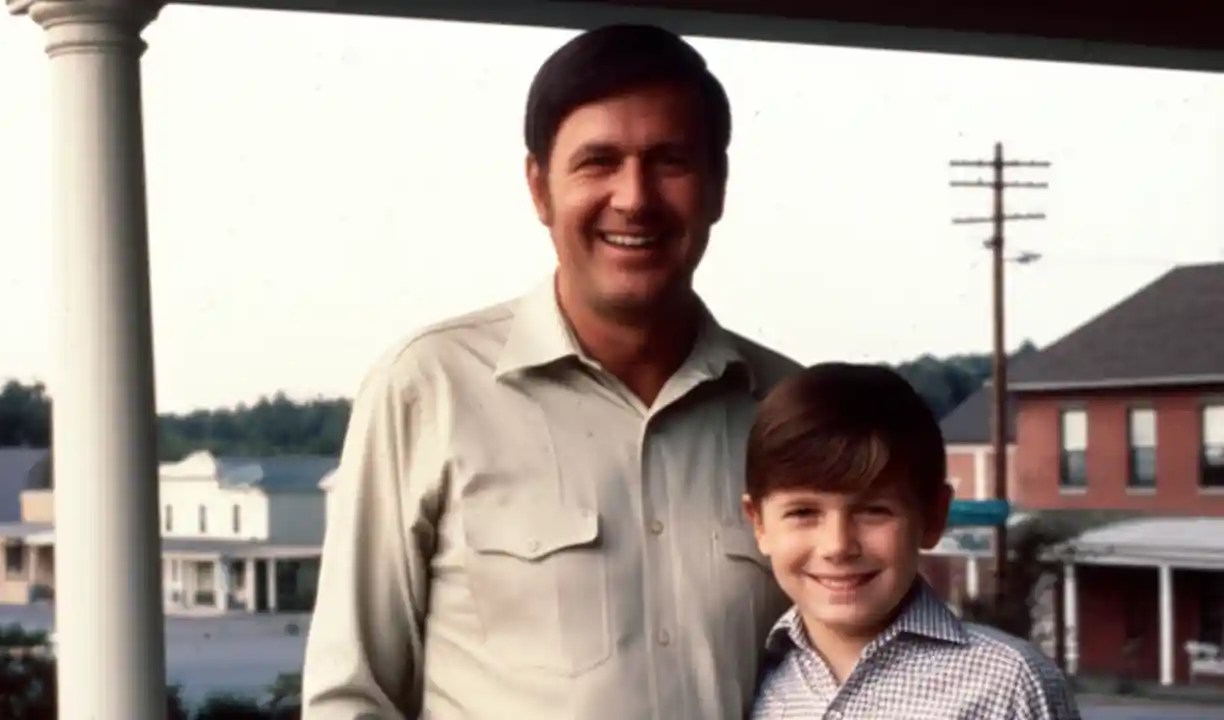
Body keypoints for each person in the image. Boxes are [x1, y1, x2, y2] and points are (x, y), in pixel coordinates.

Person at [301, 23, 802, 720]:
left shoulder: (790, 410)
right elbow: (351, 699)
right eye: (598, 162)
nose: (634, 197)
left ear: (717, 186)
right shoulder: (430, 387)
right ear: (539, 188)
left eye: (669, 161)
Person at [743, 363, 1081, 719]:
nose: (838, 546)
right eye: (803, 512)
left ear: (933, 517)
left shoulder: (1011, 684)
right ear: (759, 523)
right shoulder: (749, 681)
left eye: (874, 511)